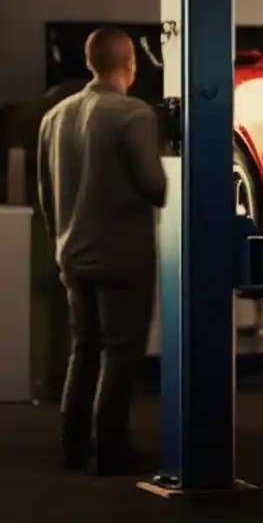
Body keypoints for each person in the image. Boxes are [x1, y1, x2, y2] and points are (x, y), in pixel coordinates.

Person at [36, 26, 167, 475]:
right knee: (120, 353)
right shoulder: (133, 115)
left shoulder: (54, 117)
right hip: (123, 258)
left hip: (72, 255)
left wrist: (61, 247)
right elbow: (154, 187)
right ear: (129, 64)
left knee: (84, 349)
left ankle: (72, 446)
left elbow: (45, 194)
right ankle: (111, 452)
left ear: (91, 62)